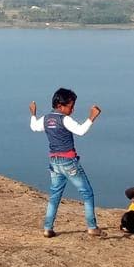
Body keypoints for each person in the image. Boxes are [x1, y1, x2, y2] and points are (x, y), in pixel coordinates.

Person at [30, 88, 106, 238]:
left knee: (55, 195)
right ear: (60, 106)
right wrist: (92, 117)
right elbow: (81, 131)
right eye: (71, 106)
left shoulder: (46, 119)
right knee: (87, 193)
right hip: (69, 162)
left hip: (54, 162)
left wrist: (33, 113)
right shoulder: (64, 119)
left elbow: (34, 127)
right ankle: (92, 226)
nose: (72, 109)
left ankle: (48, 228)